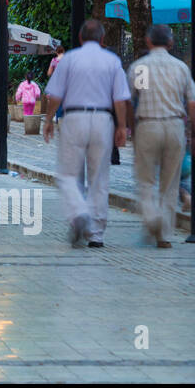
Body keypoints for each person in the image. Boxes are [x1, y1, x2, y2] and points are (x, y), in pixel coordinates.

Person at [42, 19, 131, 248]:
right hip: (103, 120)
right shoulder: (112, 61)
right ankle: (96, 233)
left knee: (68, 174)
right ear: (102, 40)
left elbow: (55, 95)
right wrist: (121, 126)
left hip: (73, 118)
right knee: (99, 177)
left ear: (80, 39)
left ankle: (78, 212)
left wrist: (49, 120)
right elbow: (120, 98)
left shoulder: (69, 59)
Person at [128, 24, 195, 249]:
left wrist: (130, 126)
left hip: (148, 125)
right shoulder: (180, 68)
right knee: (170, 183)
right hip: (175, 126)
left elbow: (130, 100)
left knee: (146, 178)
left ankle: (151, 217)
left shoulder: (140, 68)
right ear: (170, 43)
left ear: (148, 41)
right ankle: (165, 236)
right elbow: (193, 104)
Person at [47, 45, 65, 123]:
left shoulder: (54, 60)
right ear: (63, 51)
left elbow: (49, 73)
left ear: (56, 52)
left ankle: (59, 119)